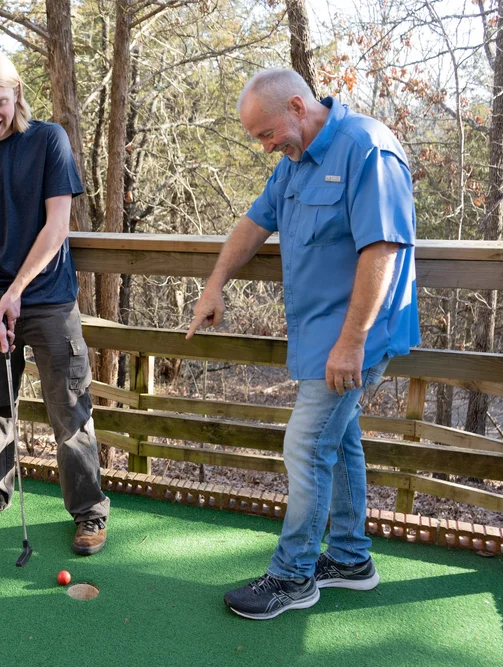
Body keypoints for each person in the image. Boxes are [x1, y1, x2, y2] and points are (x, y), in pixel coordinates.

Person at [187, 69, 420, 620]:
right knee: (338, 443)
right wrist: (215, 282)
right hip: (321, 336)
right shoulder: (293, 163)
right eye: (259, 139)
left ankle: (293, 576)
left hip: (357, 336)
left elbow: (383, 249)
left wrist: (351, 342)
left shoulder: (367, 147)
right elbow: (253, 223)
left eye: (267, 133)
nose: (266, 146)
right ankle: (349, 560)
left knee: (306, 445)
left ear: (297, 105)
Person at [0, 51, 110, 555]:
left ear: (16, 95)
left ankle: (89, 512)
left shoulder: (48, 140)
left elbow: (57, 226)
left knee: (69, 408)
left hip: (49, 299)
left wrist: (16, 293)